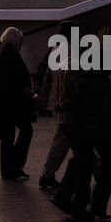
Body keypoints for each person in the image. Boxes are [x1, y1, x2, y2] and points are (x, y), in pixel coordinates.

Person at [51, 61, 111, 222]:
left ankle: (75, 204)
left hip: (83, 128)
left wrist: (61, 106)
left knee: (82, 164)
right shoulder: (109, 86)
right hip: (104, 131)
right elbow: (108, 111)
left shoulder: (84, 82)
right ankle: (97, 209)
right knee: (107, 168)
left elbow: (74, 101)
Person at [0, 27, 36, 181]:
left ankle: (11, 168)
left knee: (9, 137)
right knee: (24, 131)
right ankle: (14, 166)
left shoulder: (4, 56)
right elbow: (20, 81)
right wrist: (34, 95)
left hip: (6, 103)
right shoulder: (12, 57)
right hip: (14, 103)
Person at [38, 24, 72, 190]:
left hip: (58, 102)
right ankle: (47, 173)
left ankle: (48, 173)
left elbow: (48, 78)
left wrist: (47, 99)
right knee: (69, 139)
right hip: (68, 103)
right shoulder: (71, 52)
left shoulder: (55, 50)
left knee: (66, 138)